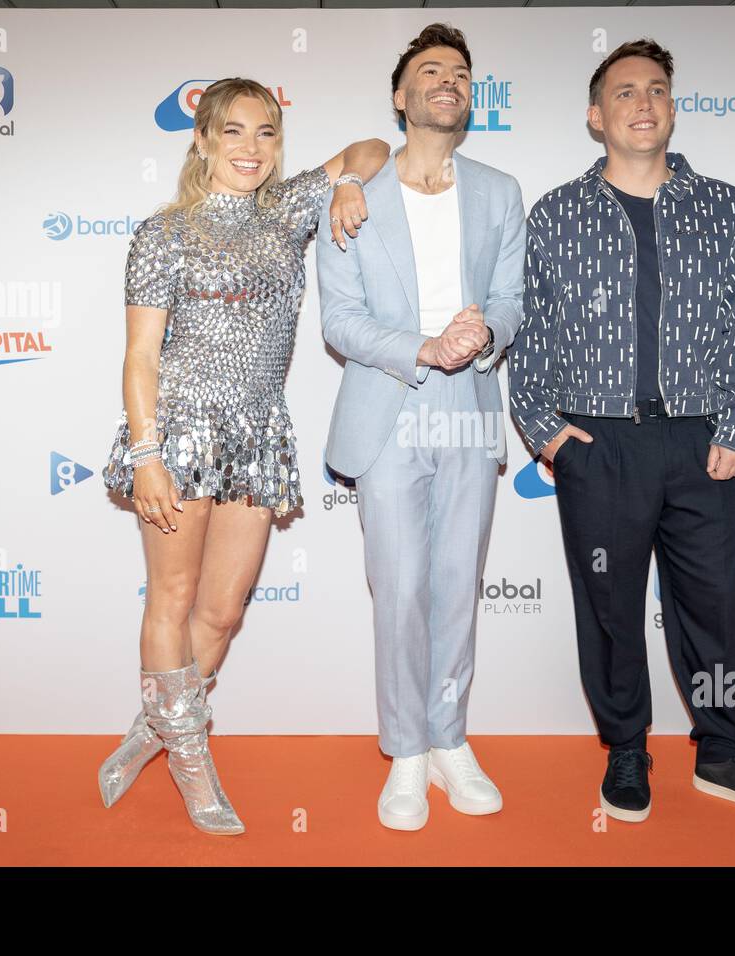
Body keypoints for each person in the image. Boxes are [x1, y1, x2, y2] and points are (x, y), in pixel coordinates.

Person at [508, 40, 735, 826]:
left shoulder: (722, 206)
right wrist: (545, 431)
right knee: (610, 606)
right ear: (595, 115)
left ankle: (721, 749)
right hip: (599, 448)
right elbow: (532, 332)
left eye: (656, 90)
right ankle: (625, 749)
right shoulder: (556, 213)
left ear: (672, 108)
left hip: (700, 444)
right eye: (623, 93)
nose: (641, 103)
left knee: (712, 605)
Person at [97, 77, 390, 835]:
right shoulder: (162, 234)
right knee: (172, 597)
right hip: (181, 431)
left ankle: (157, 725)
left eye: (265, 133)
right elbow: (139, 357)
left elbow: (372, 146)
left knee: (221, 611)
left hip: (258, 434)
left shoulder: (288, 209)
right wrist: (148, 453)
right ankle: (192, 760)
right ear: (201, 141)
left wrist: (349, 179)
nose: (251, 149)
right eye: (233, 132)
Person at [316, 23, 525, 831]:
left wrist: (486, 333)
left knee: (455, 591)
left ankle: (450, 740)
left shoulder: (501, 191)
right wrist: (422, 347)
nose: (449, 81)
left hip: (469, 405)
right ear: (401, 98)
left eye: (462, 73)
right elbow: (341, 320)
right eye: (431, 71)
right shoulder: (355, 194)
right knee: (399, 591)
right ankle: (405, 752)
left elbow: (510, 298)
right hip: (388, 407)